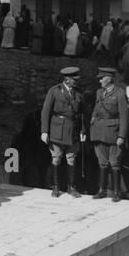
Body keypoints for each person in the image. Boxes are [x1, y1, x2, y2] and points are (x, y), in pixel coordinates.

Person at [41, 67, 85, 198]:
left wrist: (83, 130)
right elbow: (46, 112)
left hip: (73, 130)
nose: (76, 82)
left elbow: (82, 114)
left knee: (71, 158)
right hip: (58, 130)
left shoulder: (78, 93)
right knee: (57, 158)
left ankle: (71, 187)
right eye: (74, 79)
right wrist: (44, 131)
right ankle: (55, 186)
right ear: (67, 79)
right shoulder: (54, 91)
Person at [89, 68, 129, 201]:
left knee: (115, 162)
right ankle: (102, 190)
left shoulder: (120, 94)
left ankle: (117, 192)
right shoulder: (99, 92)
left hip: (113, 132)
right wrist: (93, 119)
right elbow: (96, 109)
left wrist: (121, 136)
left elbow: (124, 116)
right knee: (102, 162)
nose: (99, 81)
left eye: (102, 78)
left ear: (109, 79)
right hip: (99, 131)